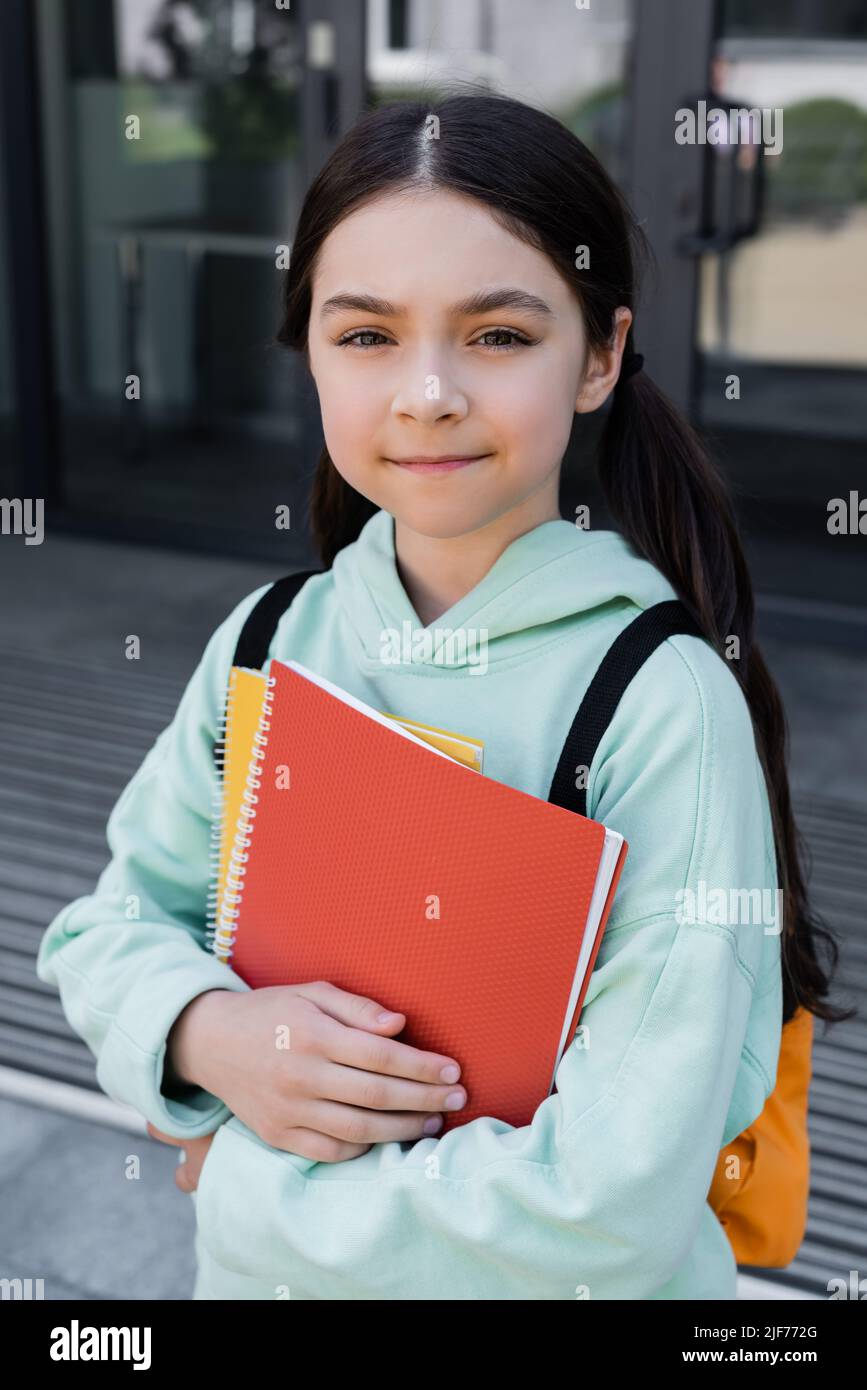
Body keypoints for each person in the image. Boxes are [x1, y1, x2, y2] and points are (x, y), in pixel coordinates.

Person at [37, 89, 848, 1301]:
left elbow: (612, 1204)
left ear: (602, 356)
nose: (426, 392)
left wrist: (246, 1170)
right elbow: (106, 926)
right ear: (306, 349)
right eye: (364, 335)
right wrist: (210, 1034)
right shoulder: (268, 641)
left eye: (499, 336)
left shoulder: (661, 702)